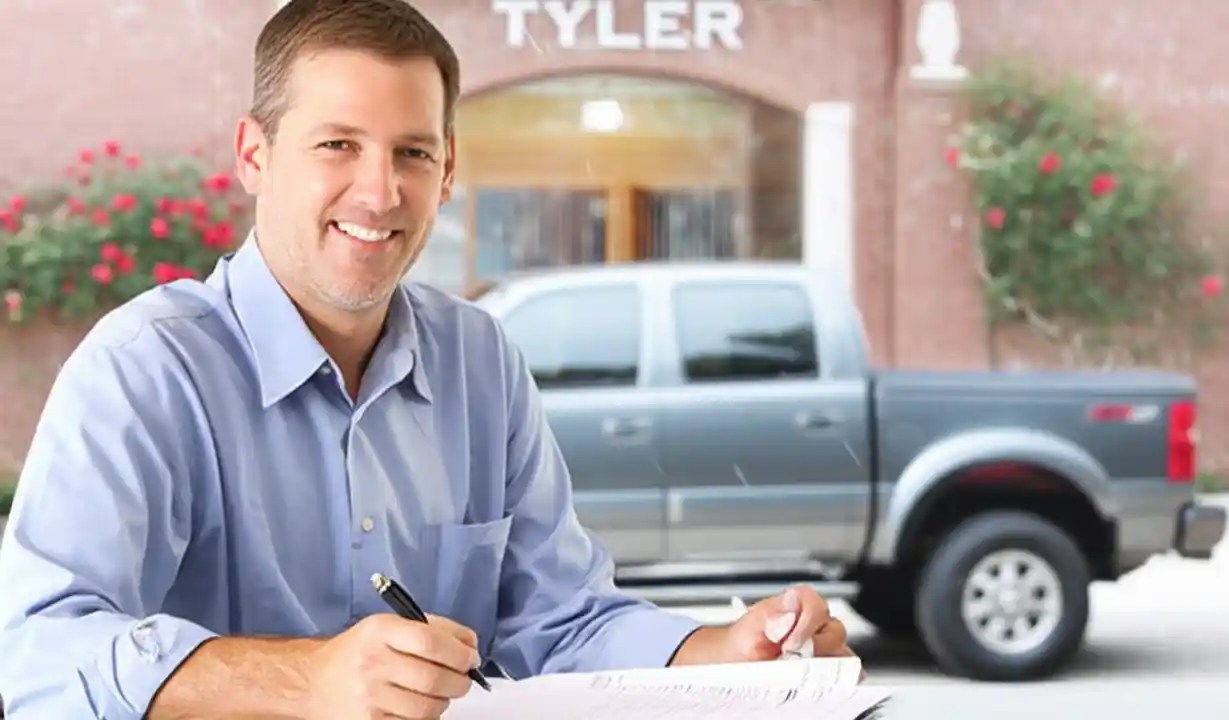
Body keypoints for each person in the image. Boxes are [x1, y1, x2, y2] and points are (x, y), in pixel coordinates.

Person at [0, 1, 856, 718]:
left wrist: (728, 654)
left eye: (413, 152)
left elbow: (560, 619)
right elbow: (33, 653)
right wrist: (305, 678)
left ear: (448, 173)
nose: (380, 193)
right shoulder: (146, 368)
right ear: (255, 156)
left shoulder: (480, 361)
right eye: (338, 144)